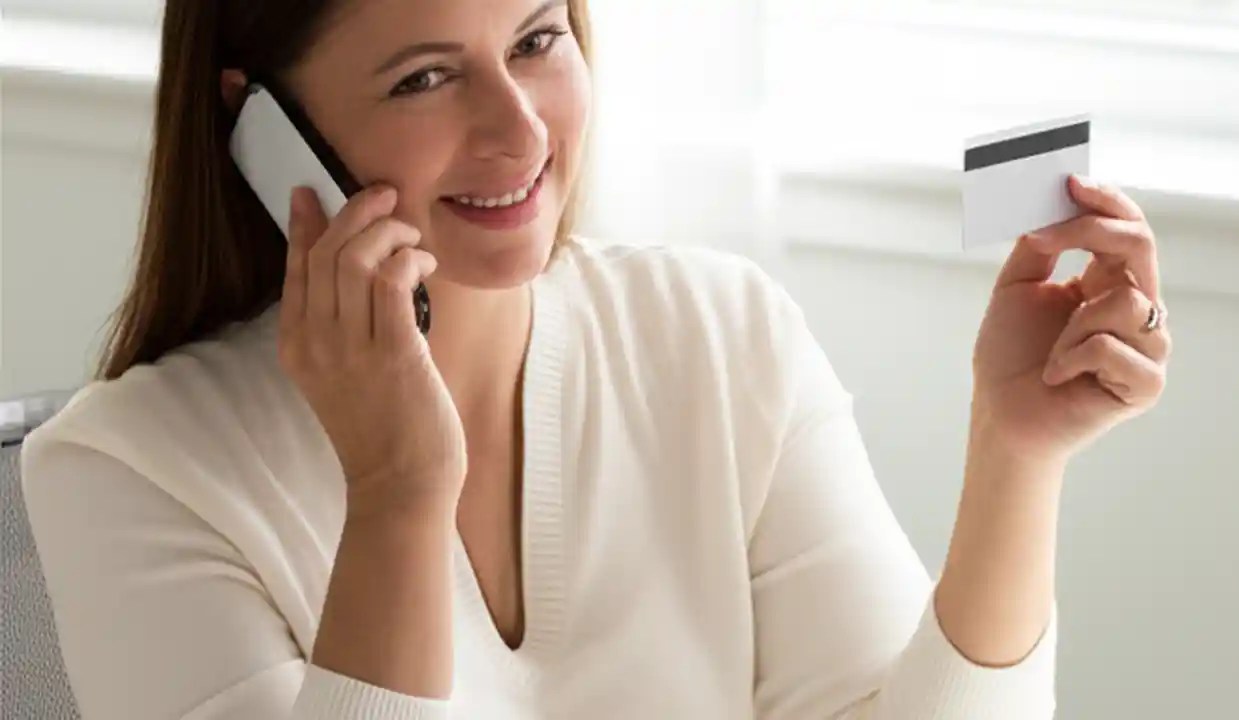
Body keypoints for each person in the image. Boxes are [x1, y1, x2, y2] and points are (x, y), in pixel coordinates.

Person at [19, 1, 1173, 718]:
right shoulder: (125, 472)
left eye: (534, 39)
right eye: (424, 76)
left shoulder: (718, 335)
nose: (520, 130)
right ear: (259, 125)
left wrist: (1014, 454)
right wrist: (397, 496)